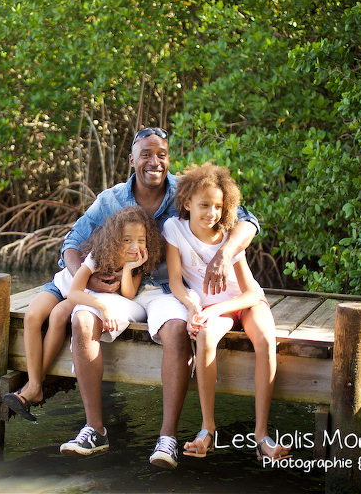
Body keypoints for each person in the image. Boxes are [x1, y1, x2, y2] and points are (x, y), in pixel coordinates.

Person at [57, 127, 260, 468]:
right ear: (132, 159)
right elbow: (72, 243)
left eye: (162, 154)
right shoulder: (110, 199)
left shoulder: (187, 190)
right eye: (146, 154)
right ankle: (95, 429)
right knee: (81, 316)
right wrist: (90, 279)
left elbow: (248, 220)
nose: (155, 161)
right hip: (124, 288)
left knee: (178, 328)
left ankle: (167, 438)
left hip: (168, 290)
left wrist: (225, 253)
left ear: (169, 158)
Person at [162, 162, 289, 461]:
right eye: (204, 205)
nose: (211, 213)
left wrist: (216, 307)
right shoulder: (174, 230)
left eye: (218, 206)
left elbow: (251, 293)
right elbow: (175, 284)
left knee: (266, 341)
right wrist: (194, 307)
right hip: (210, 310)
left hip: (244, 304)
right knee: (205, 337)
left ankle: (262, 436)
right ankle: (207, 429)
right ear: (186, 203)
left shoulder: (227, 236)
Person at [59, 206, 163, 455]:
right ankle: (95, 429)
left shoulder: (138, 262)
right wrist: (100, 307)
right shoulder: (97, 255)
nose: (133, 246)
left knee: (84, 314)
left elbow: (128, 294)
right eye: (126, 240)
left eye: (140, 240)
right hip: (97, 299)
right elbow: (75, 292)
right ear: (114, 239)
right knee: (81, 319)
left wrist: (130, 268)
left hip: (131, 303)